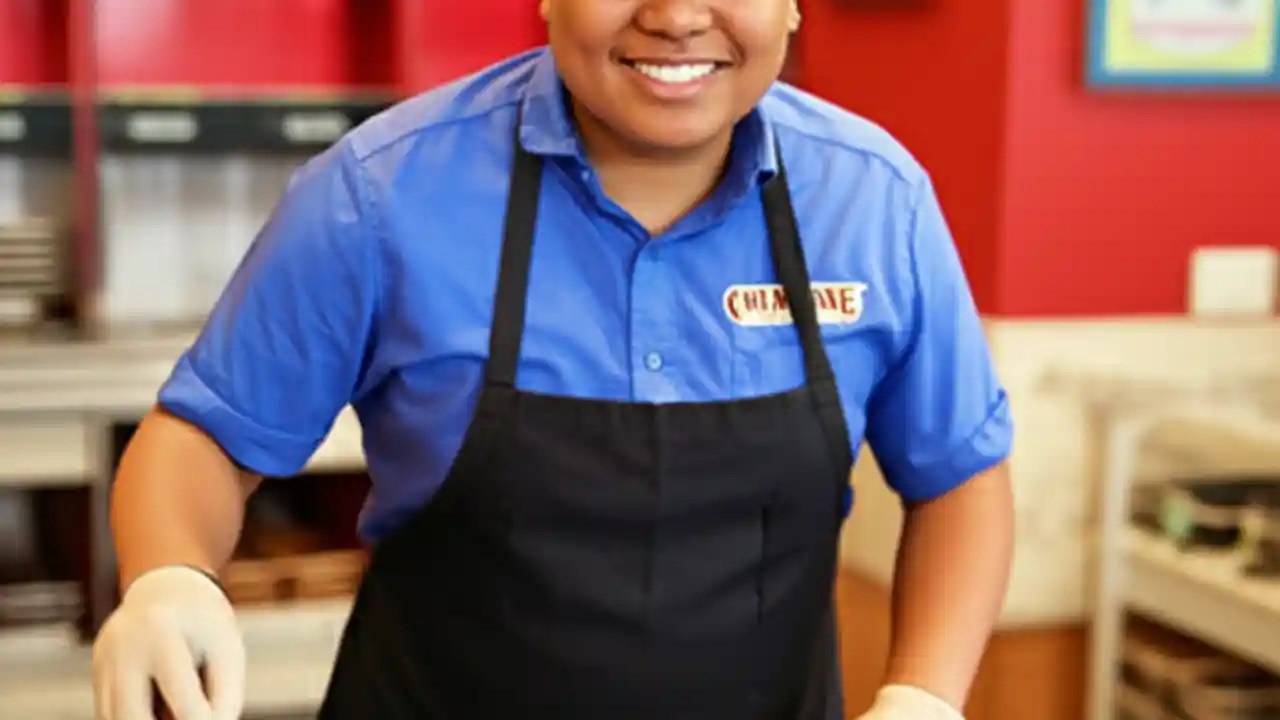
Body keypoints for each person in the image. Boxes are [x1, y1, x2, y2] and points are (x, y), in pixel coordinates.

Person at [90, 1, 1015, 718]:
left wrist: (923, 693)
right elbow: (203, 439)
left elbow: (961, 476)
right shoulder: (379, 195)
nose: (676, 14)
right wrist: (169, 576)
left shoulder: (873, 203)